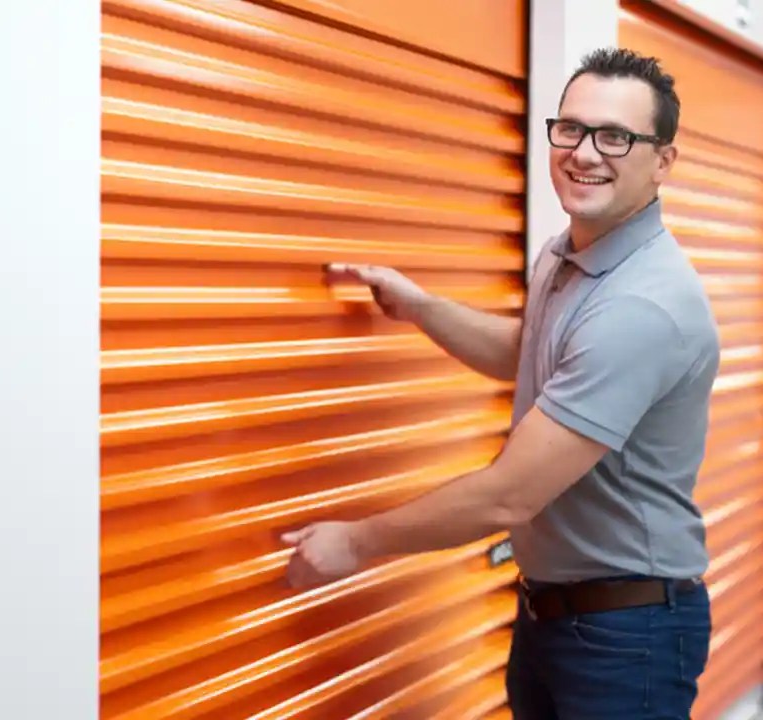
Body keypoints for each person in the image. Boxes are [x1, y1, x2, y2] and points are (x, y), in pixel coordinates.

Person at [283, 47, 720, 719]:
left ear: (663, 160)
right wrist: (422, 308)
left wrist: (353, 542)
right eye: (571, 129)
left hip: (626, 637)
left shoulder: (642, 305)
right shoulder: (566, 254)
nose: (584, 153)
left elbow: (508, 495)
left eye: (615, 137)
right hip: (556, 616)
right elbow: (532, 353)